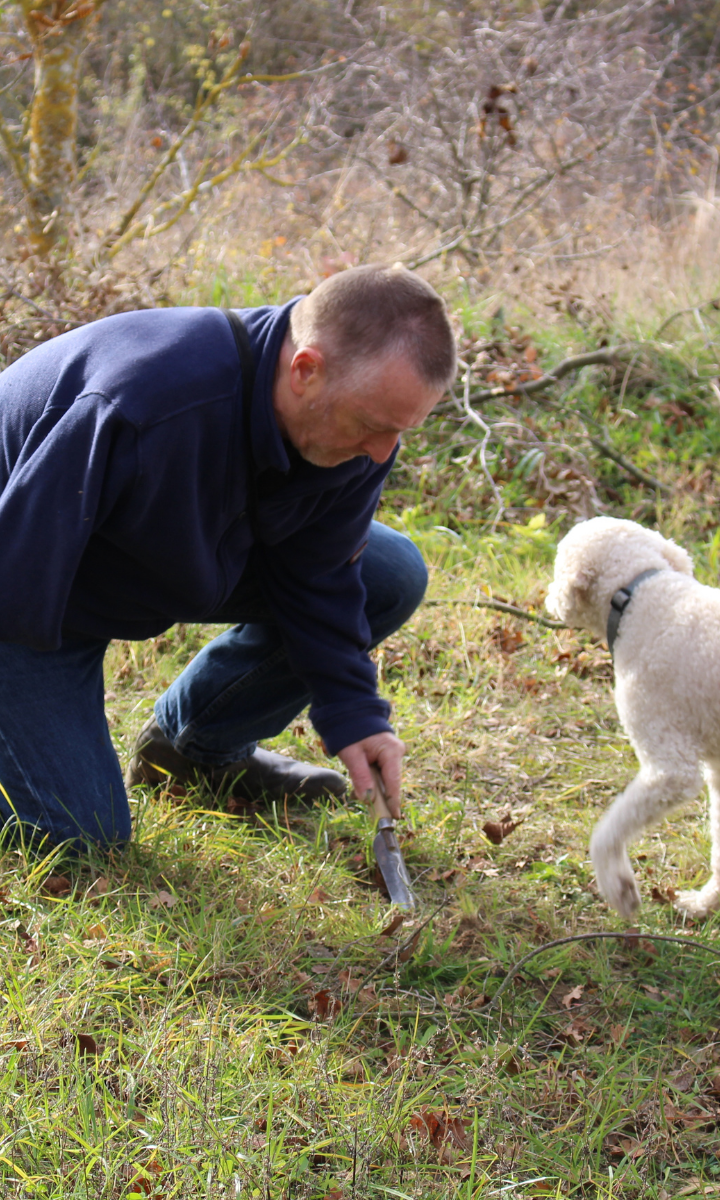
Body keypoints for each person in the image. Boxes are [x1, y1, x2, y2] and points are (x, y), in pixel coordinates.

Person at [0, 264, 456, 850]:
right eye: (371, 425)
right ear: (306, 370)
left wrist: (353, 710)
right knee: (78, 838)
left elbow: (321, 573)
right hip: (27, 585)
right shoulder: (144, 402)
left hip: (144, 561)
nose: (381, 451)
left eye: (400, 432)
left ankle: (193, 750)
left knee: (387, 573)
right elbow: (15, 568)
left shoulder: (358, 437)